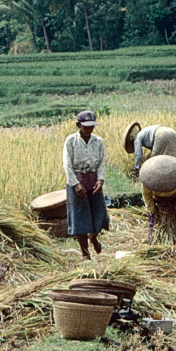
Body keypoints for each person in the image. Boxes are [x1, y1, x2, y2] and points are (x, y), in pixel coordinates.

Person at [63, 110, 109, 259]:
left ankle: (93, 237)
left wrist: (100, 180)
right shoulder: (71, 141)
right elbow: (67, 164)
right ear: (78, 125)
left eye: (91, 126)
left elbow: (101, 163)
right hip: (76, 179)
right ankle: (85, 253)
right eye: (85, 126)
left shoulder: (98, 141)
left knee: (99, 213)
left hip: (93, 179)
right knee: (80, 218)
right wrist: (76, 184)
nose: (89, 129)